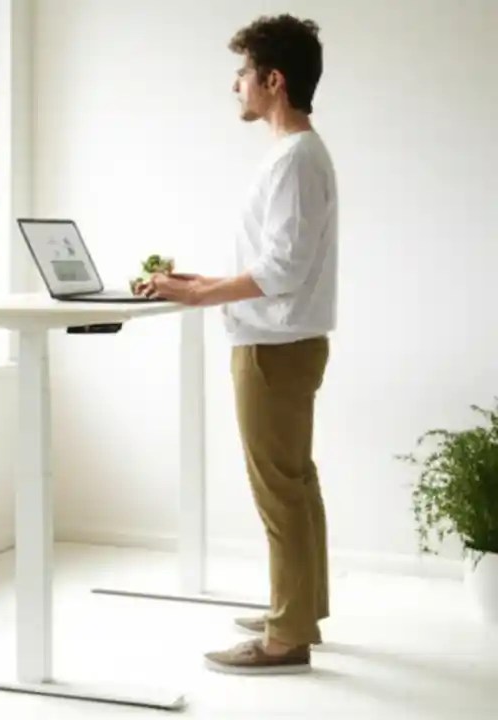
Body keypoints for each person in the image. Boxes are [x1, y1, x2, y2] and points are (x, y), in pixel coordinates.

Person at [139, 13, 336, 674]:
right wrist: (202, 280)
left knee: (280, 491)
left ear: (272, 80)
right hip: (284, 343)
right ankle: (299, 607)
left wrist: (197, 296)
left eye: (244, 73)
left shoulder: (296, 158)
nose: (236, 84)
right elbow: (276, 261)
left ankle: (286, 637)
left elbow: (282, 270)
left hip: (273, 349)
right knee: (295, 485)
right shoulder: (296, 155)